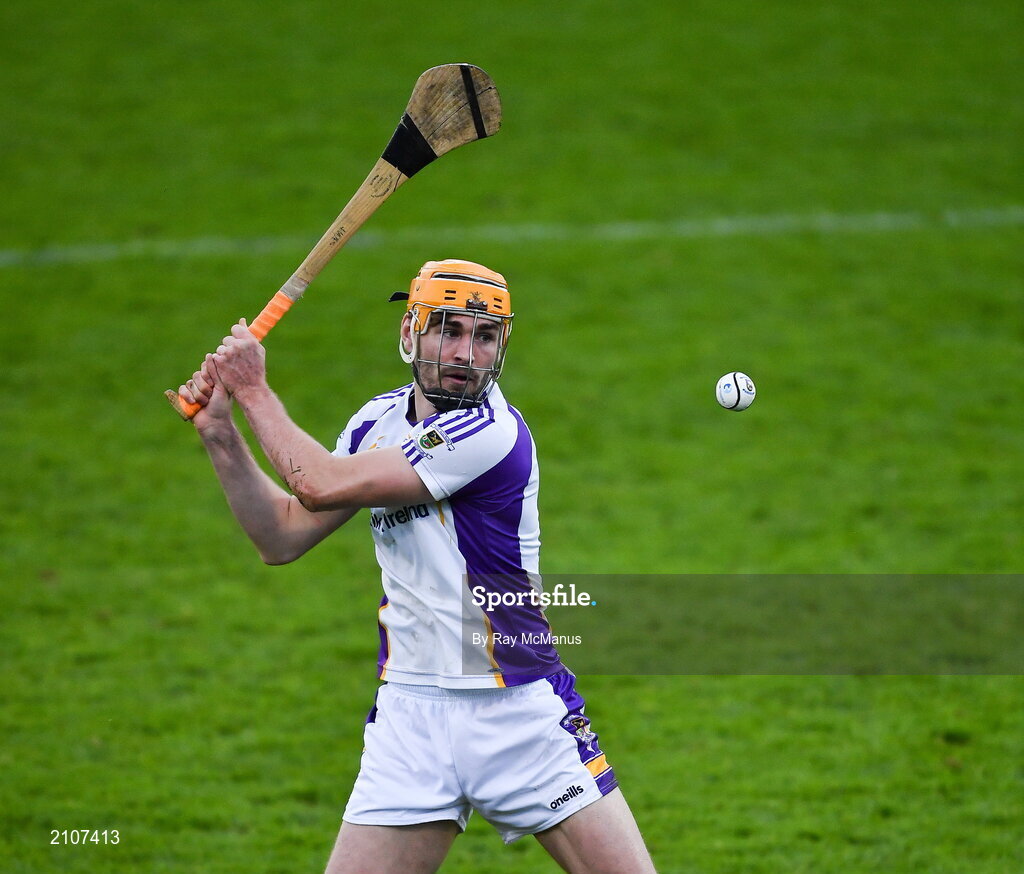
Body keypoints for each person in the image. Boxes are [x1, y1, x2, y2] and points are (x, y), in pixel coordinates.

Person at [179, 259, 657, 874]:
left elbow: (319, 484)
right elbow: (283, 535)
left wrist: (252, 389)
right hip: (408, 717)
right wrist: (220, 432)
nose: (465, 352)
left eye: (484, 337)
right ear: (410, 333)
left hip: (516, 710)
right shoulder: (375, 422)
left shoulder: (492, 434)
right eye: (448, 330)